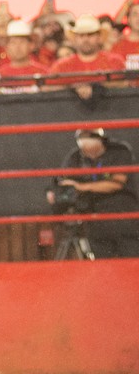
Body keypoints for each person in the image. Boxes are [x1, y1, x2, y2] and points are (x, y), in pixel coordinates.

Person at [46, 128, 139, 258]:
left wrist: (81, 187)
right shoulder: (76, 156)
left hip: (122, 216)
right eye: (81, 138)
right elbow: (61, 180)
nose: (84, 147)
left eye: (88, 136)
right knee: (103, 264)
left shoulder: (119, 151)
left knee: (131, 261)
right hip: (94, 217)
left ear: (101, 140)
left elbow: (117, 183)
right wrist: (53, 191)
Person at [47, 14, 127, 104]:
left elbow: (124, 83)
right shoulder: (61, 65)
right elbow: (48, 87)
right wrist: (73, 88)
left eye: (90, 34)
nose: (85, 39)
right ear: (75, 38)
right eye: (81, 35)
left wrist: (97, 87)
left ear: (99, 37)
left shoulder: (114, 61)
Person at [0, 20, 48, 89]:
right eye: (13, 42)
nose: (17, 47)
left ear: (31, 45)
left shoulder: (43, 73)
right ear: (7, 46)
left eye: (22, 42)